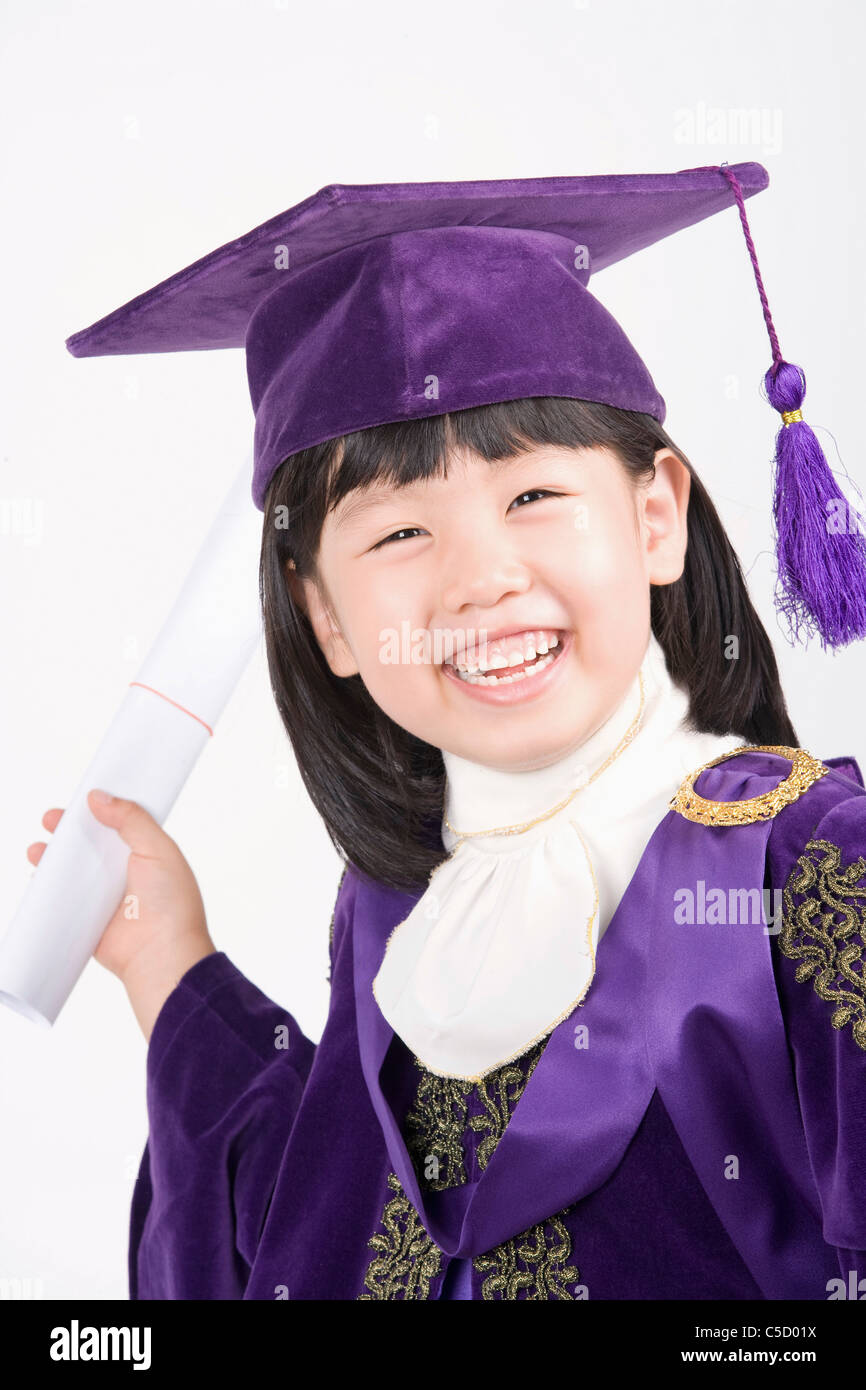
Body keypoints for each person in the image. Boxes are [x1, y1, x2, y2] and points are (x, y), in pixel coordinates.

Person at [28, 167, 866, 1298]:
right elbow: (318, 1245)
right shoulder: (397, 916)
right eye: (398, 534)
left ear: (654, 517)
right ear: (324, 614)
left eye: (531, 498)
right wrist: (164, 965)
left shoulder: (810, 872)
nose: (481, 579)